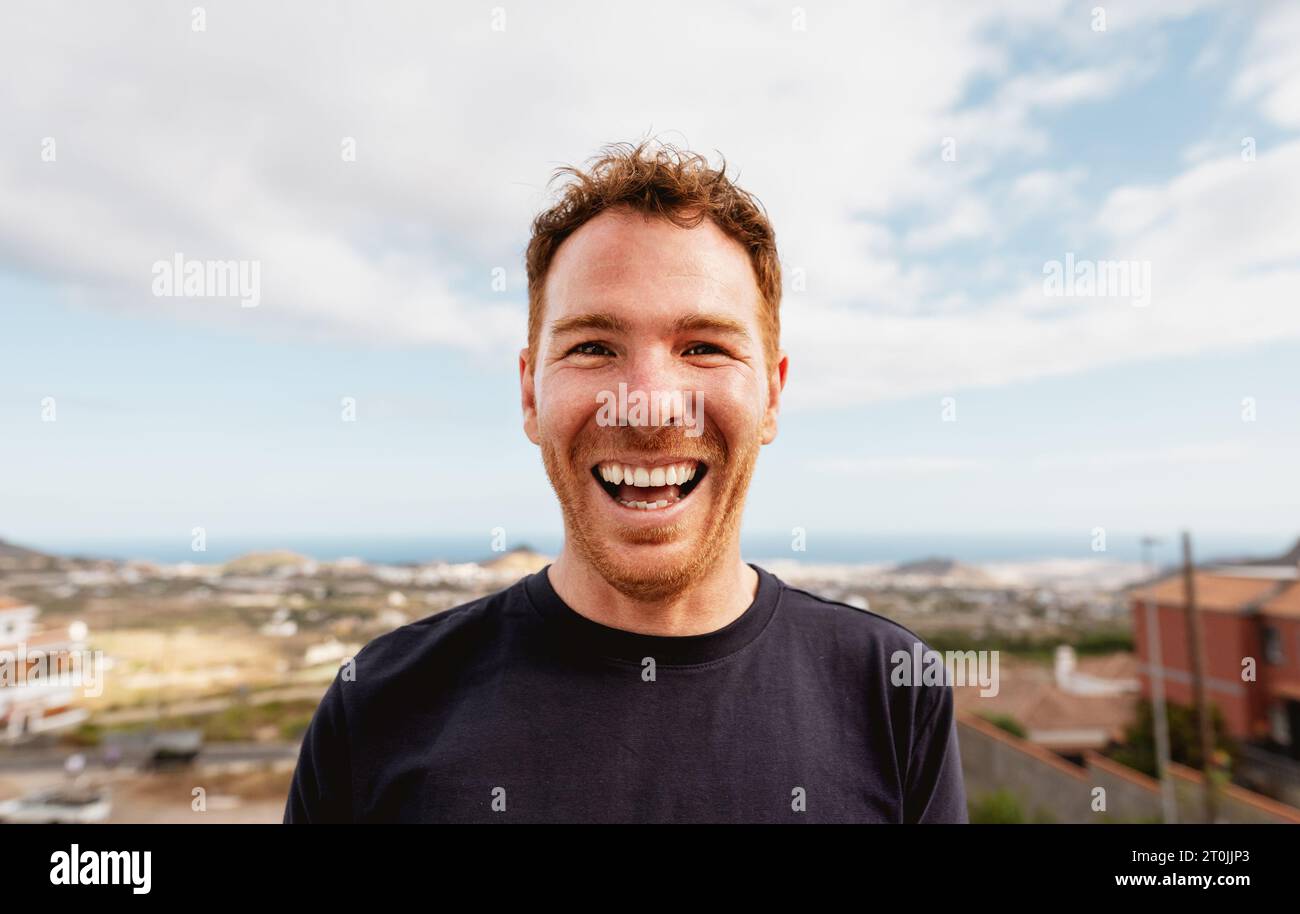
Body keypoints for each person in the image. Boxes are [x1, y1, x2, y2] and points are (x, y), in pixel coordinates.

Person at [284, 140, 968, 823]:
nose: (646, 404)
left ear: (772, 397)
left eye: (704, 347)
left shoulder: (891, 693)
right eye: (593, 348)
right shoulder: (378, 705)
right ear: (529, 394)